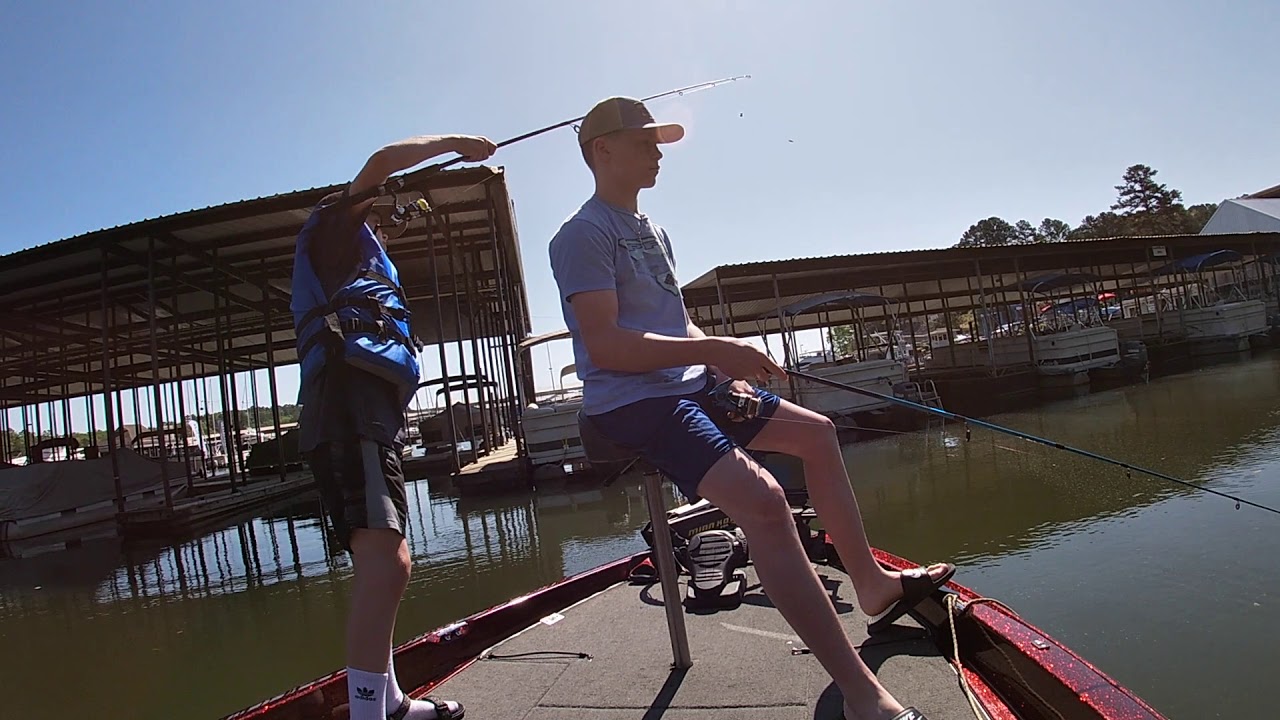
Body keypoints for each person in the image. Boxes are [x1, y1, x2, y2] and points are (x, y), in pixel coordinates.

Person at [547, 97, 955, 720]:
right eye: (644, 142)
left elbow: (675, 321)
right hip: (634, 401)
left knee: (818, 433)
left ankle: (872, 586)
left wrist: (717, 364)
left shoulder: (652, 230)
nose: (658, 153)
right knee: (765, 503)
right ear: (602, 150)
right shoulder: (581, 234)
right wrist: (712, 349)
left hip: (689, 386)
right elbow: (605, 345)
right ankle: (861, 696)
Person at [291, 133, 497, 720]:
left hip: (368, 417)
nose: (381, 227)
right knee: (387, 563)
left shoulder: (355, 256)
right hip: (348, 411)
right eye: (376, 219)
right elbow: (382, 162)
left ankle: (390, 703)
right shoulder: (333, 232)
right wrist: (458, 144)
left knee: (388, 562)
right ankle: (368, 714)